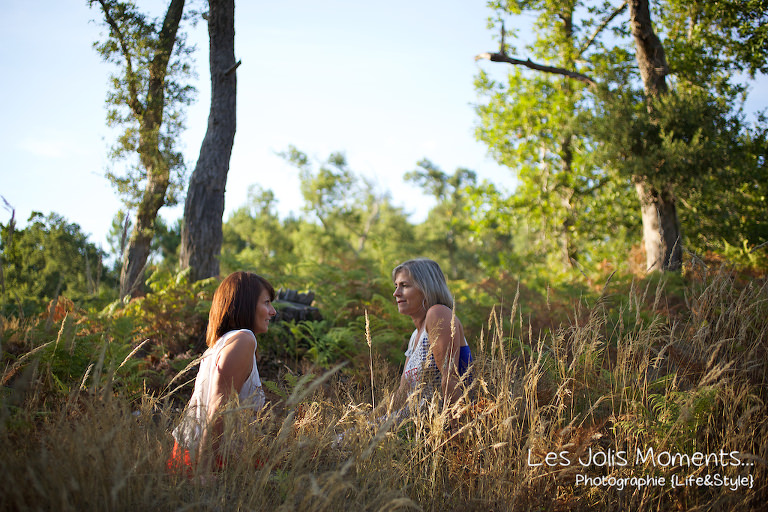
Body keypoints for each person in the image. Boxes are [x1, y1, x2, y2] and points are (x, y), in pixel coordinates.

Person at [168, 271, 276, 473]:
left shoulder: (221, 343)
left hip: (199, 453)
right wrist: (204, 471)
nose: (273, 311)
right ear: (246, 304)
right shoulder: (244, 339)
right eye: (267, 303)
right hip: (208, 459)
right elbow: (220, 405)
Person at [391, 258, 473, 419]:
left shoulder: (438, 313)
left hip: (437, 426)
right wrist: (361, 421)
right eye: (396, 286)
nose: (396, 293)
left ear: (426, 288)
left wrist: (455, 434)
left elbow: (450, 378)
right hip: (411, 424)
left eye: (405, 286)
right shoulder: (415, 335)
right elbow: (401, 395)